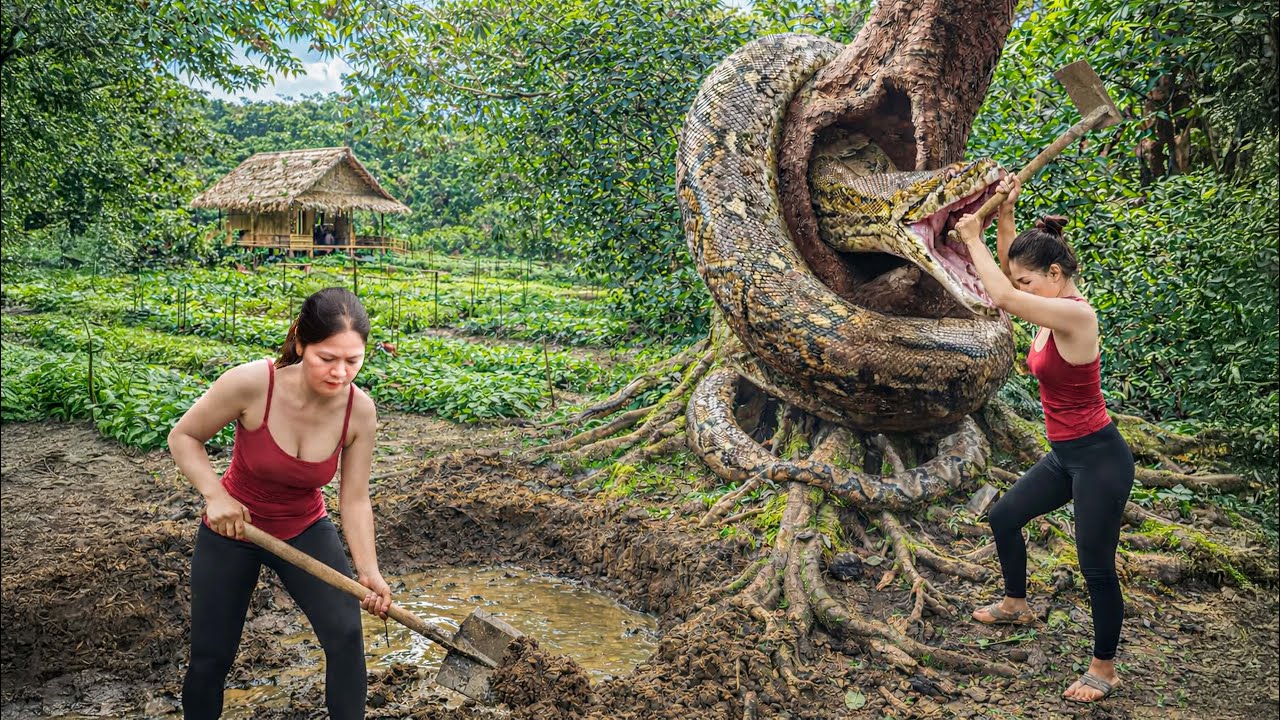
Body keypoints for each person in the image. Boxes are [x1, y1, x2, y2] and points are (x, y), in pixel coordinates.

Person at [168, 287, 391, 719]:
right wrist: (216, 497)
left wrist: (369, 571)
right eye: (327, 358)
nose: (340, 373)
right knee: (212, 654)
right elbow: (184, 436)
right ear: (301, 344)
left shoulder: (359, 411)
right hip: (233, 530)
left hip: (304, 528)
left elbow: (355, 498)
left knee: (346, 636)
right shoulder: (254, 383)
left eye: (353, 360)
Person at [954, 174, 1135, 704]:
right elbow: (1011, 275)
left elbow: (1004, 293)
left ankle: (1104, 669)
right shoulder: (1048, 302)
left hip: (1100, 459)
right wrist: (1005, 211)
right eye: (1023, 281)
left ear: (1055, 275)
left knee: (1095, 565)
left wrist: (971, 236)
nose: (1023, 288)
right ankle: (1016, 603)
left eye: (1030, 281)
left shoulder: (1076, 316)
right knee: (1004, 517)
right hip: (1065, 456)